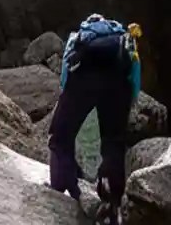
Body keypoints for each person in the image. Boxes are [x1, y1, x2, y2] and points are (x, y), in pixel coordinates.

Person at [48, 14, 142, 224]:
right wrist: (129, 101)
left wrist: (68, 104)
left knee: (60, 138)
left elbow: (66, 75)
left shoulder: (80, 36)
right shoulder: (124, 38)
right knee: (113, 143)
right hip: (118, 85)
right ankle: (112, 202)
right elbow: (135, 74)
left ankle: (60, 190)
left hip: (83, 83)